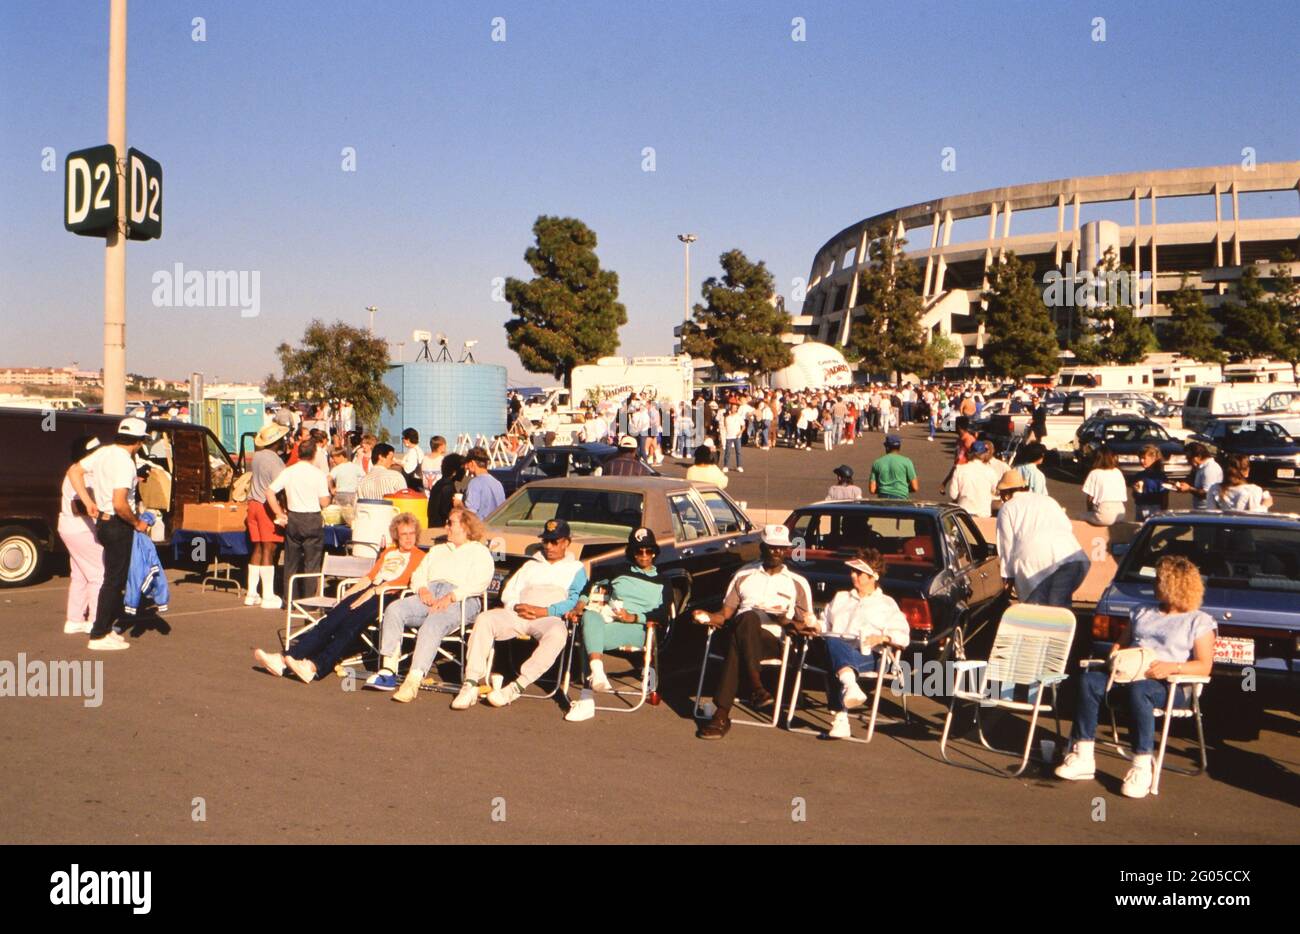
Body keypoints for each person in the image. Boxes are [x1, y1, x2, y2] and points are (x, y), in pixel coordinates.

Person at [1054, 556, 1216, 799]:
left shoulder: (1198, 621)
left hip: (1170, 685)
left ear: (1173, 584)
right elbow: (1121, 643)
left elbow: (1204, 666)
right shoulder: (1142, 611)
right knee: (1089, 681)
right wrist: (1116, 656)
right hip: (1128, 676)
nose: (1153, 583)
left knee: (1140, 690)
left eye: (1159, 579)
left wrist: (1172, 667)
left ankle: (1142, 765)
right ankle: (1083, 755)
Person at [253, 514, 426, 682]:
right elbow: (370, 576)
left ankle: (315, 666)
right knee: (330, 621)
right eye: (404, 534)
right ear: (396, 535)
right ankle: (285, 659)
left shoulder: (419, 556)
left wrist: (373, 592)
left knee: (350, 626)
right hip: (371, 589)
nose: (409, 538)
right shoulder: (389, 551)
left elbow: (404, 580)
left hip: (389, 594)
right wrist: (351, 592)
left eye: (412, 533)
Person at [695, 525, 817, 740]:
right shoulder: (744, 575)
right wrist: (706, 615)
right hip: (741, 631)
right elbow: (725, 614)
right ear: (762, 547)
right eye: (772, 548)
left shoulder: (797, 583)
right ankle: (756, 687)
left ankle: (721, 714)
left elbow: (805, 626)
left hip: (774, 640)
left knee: (740, 634)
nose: (777, 553)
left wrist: (783, 619)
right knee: (748, 618)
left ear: (787, 550)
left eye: (781, 548)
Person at [451, 519, 587, 709]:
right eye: (546, 541)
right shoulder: (531, 565)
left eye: (554, 542)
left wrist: (544, 611)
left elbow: (574, 600)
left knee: (558, 633)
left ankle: (516, 686)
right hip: (519, 612)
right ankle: (471, 683)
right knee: (485, 619)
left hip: (548, 617)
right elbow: (510, 591)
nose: (549, 546)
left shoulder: (576, 569)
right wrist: (516, 606)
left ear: (566, 542)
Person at [366, 508, 496, 702]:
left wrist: (452, 596)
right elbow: (419, 574)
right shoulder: (438, 550)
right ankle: (388, 668)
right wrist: (421, 589)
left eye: (450, 523)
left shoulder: (479, 552)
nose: (446, 527)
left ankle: (414, 679)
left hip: (462, 598)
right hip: (430, 593)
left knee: (434, 622)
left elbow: (480, 582)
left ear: (465, 526)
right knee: (395, 609)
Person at [563, 527, 675, 721]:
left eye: (649, 550)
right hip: (610, 622)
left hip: (640, 629)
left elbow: (663, 614)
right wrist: (581, 603)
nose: (644, 555)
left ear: (655, 552)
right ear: (631, 552)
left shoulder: (663, 581)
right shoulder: (618, 571)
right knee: (589, 617)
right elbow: (592, 585)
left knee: (588, 637)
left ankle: (587, 697)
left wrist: (634, 617)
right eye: (639, 551)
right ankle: (597, 672)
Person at [814, 548, 911, 739]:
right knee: (833, 643)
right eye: (852, 571)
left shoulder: (886, 603)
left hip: (869, 654)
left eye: (859, 573)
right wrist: (812, 623)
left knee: (834, 654)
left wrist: (882, 638)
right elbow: (824, 624)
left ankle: (841, 717)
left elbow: (903, 635)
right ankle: (849, 686)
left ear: (873, 576)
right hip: (838, 647)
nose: (853, 576)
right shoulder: (841, 597)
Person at [79, 417, 152, 650]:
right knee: (114, 580)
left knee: (113, 578)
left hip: (103, 520)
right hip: (117, 524)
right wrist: (138, 522)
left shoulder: (104, 452)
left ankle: (105, 628)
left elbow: (74, 471)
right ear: (139, 442)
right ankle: (98, 634)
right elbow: (120, 503)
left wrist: (87, 500)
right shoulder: (125, 462)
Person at [994, 470, 1089, 608]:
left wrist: (1008, 578)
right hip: (1069, 555)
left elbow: (1006, 546)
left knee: (1036, 611)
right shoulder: (1048, 500)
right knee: (1058, 607)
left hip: (1033, 562)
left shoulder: (1007, 508)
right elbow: (1067, 526)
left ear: (1007, 493)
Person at [266, 438, 331, 603]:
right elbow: (324, 502)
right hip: (312, 517)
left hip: (294, 517)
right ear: (314, 455)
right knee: (312, 562)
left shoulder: (289, 471)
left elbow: (270, 492)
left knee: (291, 561)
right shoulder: (318, 474)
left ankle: (290, 600)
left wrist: (279, 513)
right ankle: (309, 602)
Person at [59, 436, 105, 634]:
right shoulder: (82, 475)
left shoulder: (74, 471)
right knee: (99, 575)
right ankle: (95, 621)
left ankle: (74, 619)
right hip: (82, 528)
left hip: (68, 527)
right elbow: (80, 506)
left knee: (79, 575)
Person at [243, 423, 290, 609]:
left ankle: (252, 592)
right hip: (266, 506)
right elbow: (281, 487)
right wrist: (283, 509)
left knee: (258, 548)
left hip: (253, 504)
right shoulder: (275, 461)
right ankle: (268, 595)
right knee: (269, 549)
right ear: (277, 442)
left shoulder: (258, 456)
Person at [946, 440, 997, 517]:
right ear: (984, 454)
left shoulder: (960, 469)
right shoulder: (991, 472)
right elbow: (994, 490)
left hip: (964, 514)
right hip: (984, 514)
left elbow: (953, 495)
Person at [1082, 447, 1128, 527]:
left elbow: (1090, 498)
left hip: (1105, 512)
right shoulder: (1118, 472)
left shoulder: (1094, 473)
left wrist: (1090, 511)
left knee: (1080, 516)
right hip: (1120, 513)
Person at [869, 435, 919, 500]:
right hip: (901, 498)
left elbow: (872, 489)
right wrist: (903, 489)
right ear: (899, 447)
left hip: (883, 498)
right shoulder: (907, 461)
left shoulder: (877, 462)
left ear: (887, 447)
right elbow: (915, 487)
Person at [1177, 442, 1222, 510]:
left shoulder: (1210, 469)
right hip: (1200, 509)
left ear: (1199, 456)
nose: (1188, 461)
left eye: (1190, 458)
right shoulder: (1201, 467)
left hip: (1208, 510)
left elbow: (1207, 493)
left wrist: (1189, 489)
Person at [463, 446, 506, 518]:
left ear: (472, 463)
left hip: (481, 526)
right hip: (495, 526)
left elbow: (470, 513)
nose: (466, 467)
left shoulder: (474, 483)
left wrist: (458, 503)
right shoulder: (497, 483)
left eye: (467, 463)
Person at [1131, 445, 1170, 521]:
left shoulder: (1160, 476)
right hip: (1140, 506)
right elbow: (1135, 495)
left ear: (1154, 459)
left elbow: (1164, 496)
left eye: (1144, 458)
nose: (1141, 461)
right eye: (1140, 458)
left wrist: (1163, 511)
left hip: (1154, 507)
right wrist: (1136, 491)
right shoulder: (1139, 475)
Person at [427, 453, 467, 528]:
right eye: (462, 468)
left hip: (433, 526)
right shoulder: (447, 487)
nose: (464, 472)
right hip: (441, 530)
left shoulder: (438, 484)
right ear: (454, 472)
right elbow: (446, 512)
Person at [721, 401, 745, 473]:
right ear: (730, 408)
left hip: (737, 436)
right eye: (732, 408)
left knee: (738, 451)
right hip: (729, 436)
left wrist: (740, 432)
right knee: (727, 452)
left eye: (735, 408)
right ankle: (725, 466)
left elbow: (743, 426)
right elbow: (725, 426)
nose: (734, 409)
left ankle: (739, 466)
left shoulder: (739, 417)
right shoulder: (727, 417)